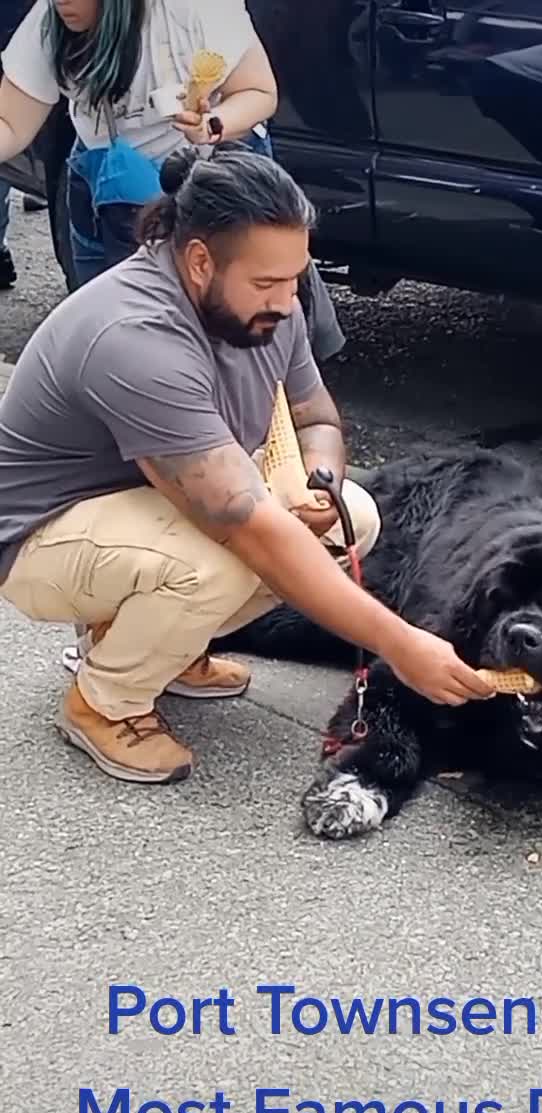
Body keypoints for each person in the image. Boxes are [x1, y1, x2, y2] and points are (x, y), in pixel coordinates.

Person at [0, 146, 495, 784]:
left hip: (149, 507)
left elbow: (317, 417)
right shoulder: (135, 337)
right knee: (218, 561)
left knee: (352, 520)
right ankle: (103, 704)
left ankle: (161, 649)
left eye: (296, 278)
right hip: (38, 536)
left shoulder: (272, 295)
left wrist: (321, 481)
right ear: (199, 260)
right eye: (268, 284)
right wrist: (401, 646)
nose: (290, 303)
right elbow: (249, 530)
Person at [0, 0, 345, 361]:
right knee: (109, 329)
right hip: (108, 176)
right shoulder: (49, 21)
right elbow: (11, 123)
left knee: (233, 333)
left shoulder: (192, 8)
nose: (61, 2)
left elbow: (259, 92)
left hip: (209, 179)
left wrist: (212, 123)